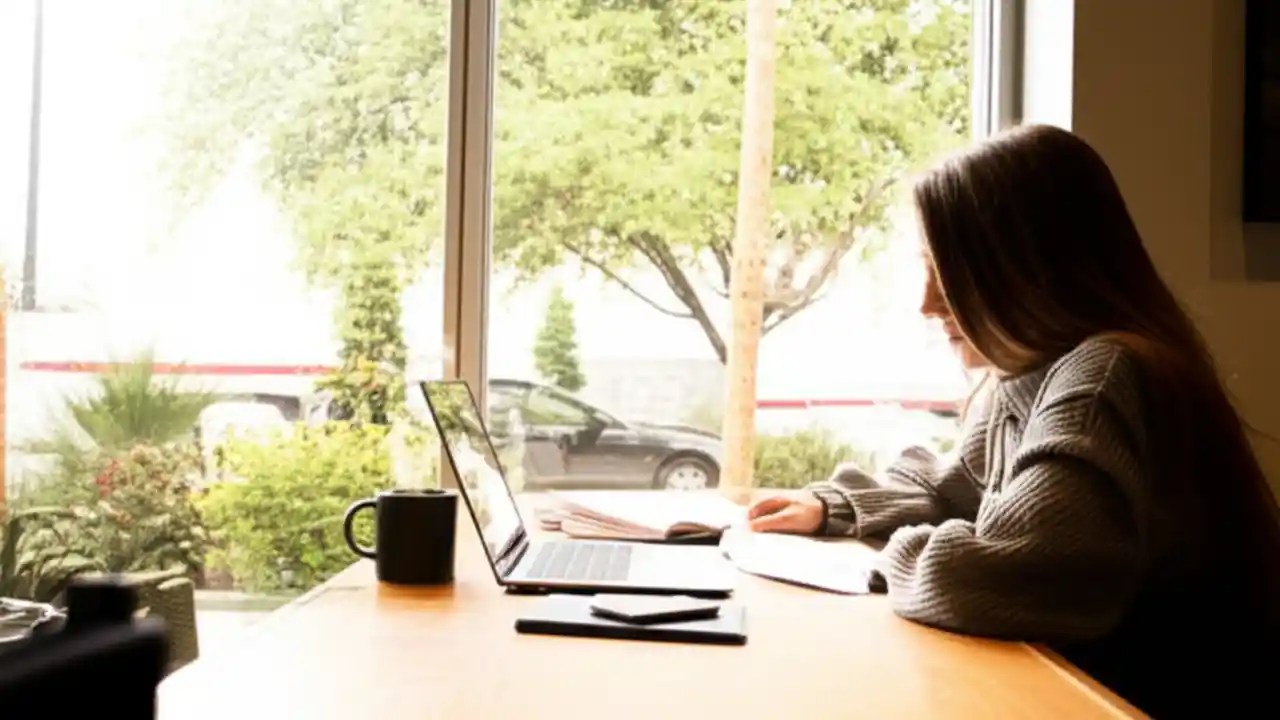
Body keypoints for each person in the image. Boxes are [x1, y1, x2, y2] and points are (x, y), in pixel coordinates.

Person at [746, 124, 1280, 717]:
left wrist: (889, 557)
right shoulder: (1027, 378)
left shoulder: (1102, 375)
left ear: (1027, 267)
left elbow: (1000, 575)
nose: (928, 302)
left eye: (947, 271)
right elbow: (953, 489)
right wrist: (834, 508)